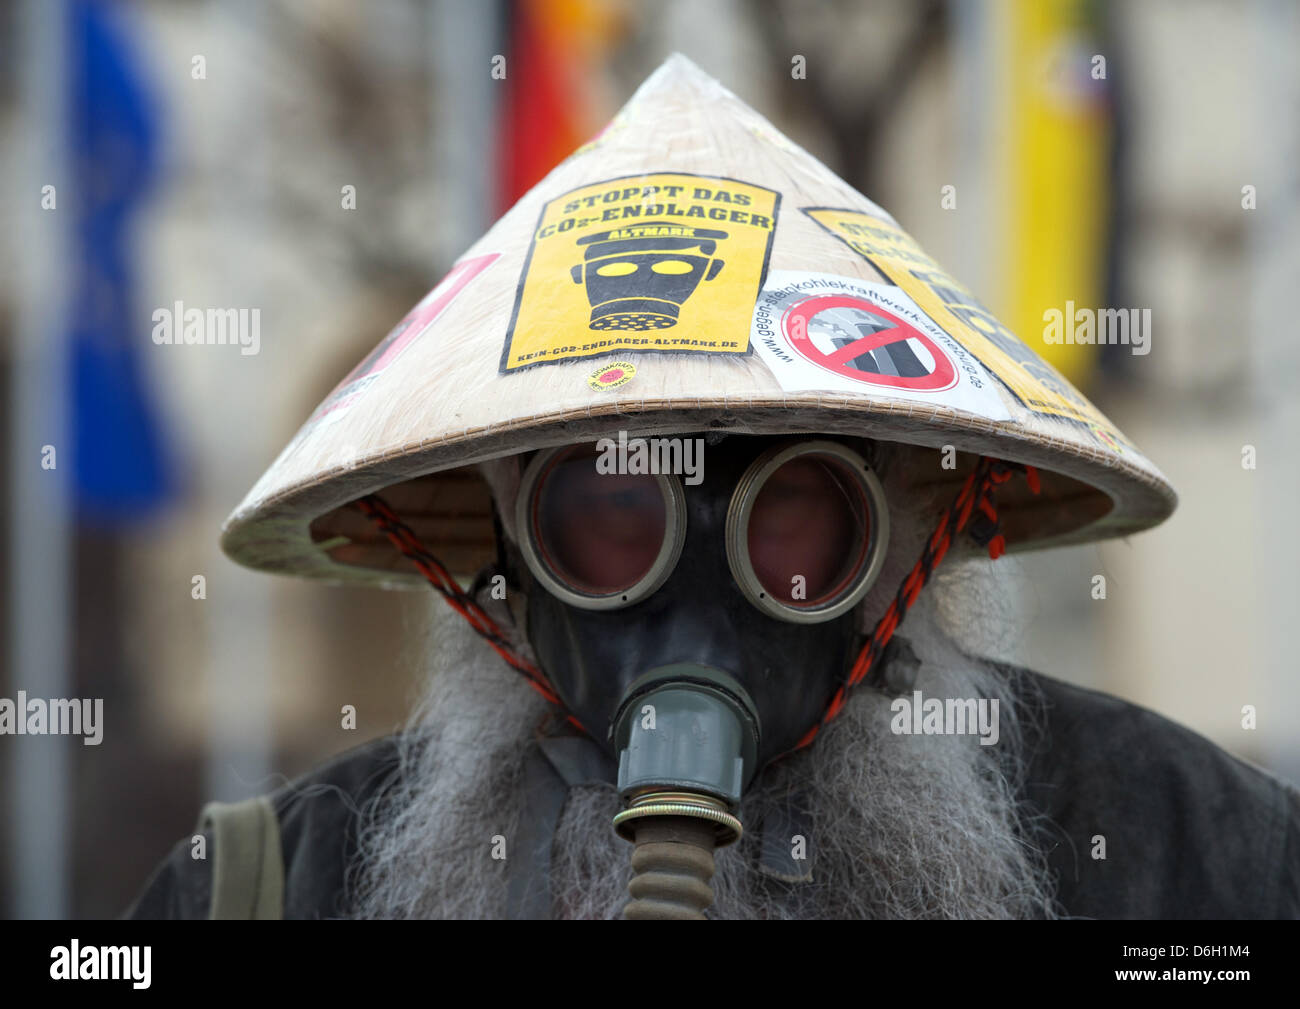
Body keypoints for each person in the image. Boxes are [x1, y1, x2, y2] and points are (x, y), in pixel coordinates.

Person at [127, 55, 1299, 920]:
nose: (694, 605)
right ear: (505, 557)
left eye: (784, 514)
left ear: (888, 537)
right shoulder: (273, 887)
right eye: (609, 513)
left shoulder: (1182, 853)